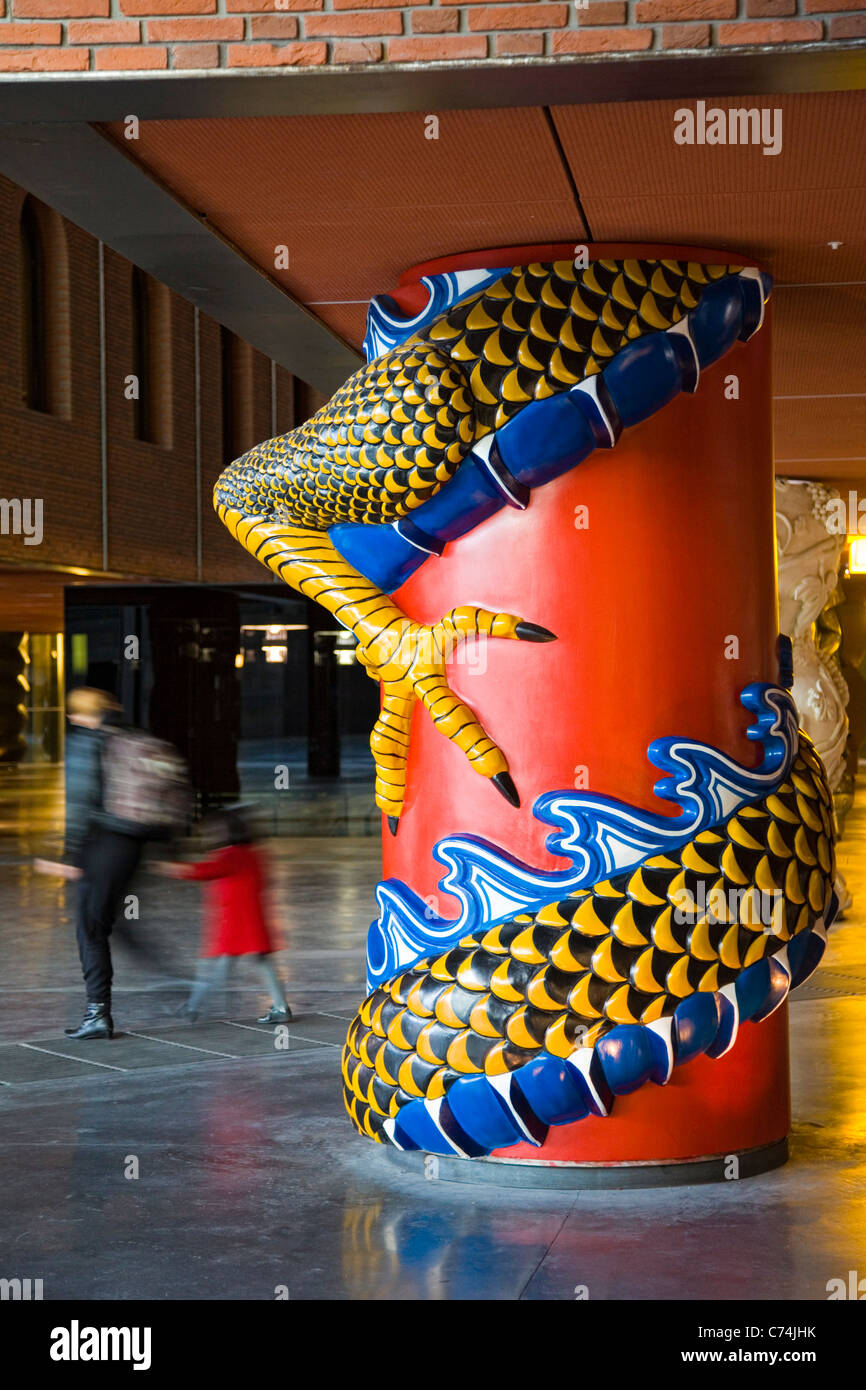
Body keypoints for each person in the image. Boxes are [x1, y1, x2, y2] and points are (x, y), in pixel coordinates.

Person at [35, 688, 144, 1040]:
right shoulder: (126, 735)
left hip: (101, 848)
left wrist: (72, 853)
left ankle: (98, 1014)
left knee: (91, 932)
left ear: (77, 714)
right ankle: (180, 981)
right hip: (131, 845)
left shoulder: (87, 743)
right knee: (108, 926)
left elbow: (81, 801)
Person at [155, 806, 291, 1025]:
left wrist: (172, 869)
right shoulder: (252, 853)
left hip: (236, 924)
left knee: (217, 970)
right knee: (261, 963)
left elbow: (205, 871)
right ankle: (280, 1006)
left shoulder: (232, 855)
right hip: (250, 921)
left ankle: (192, 1007)